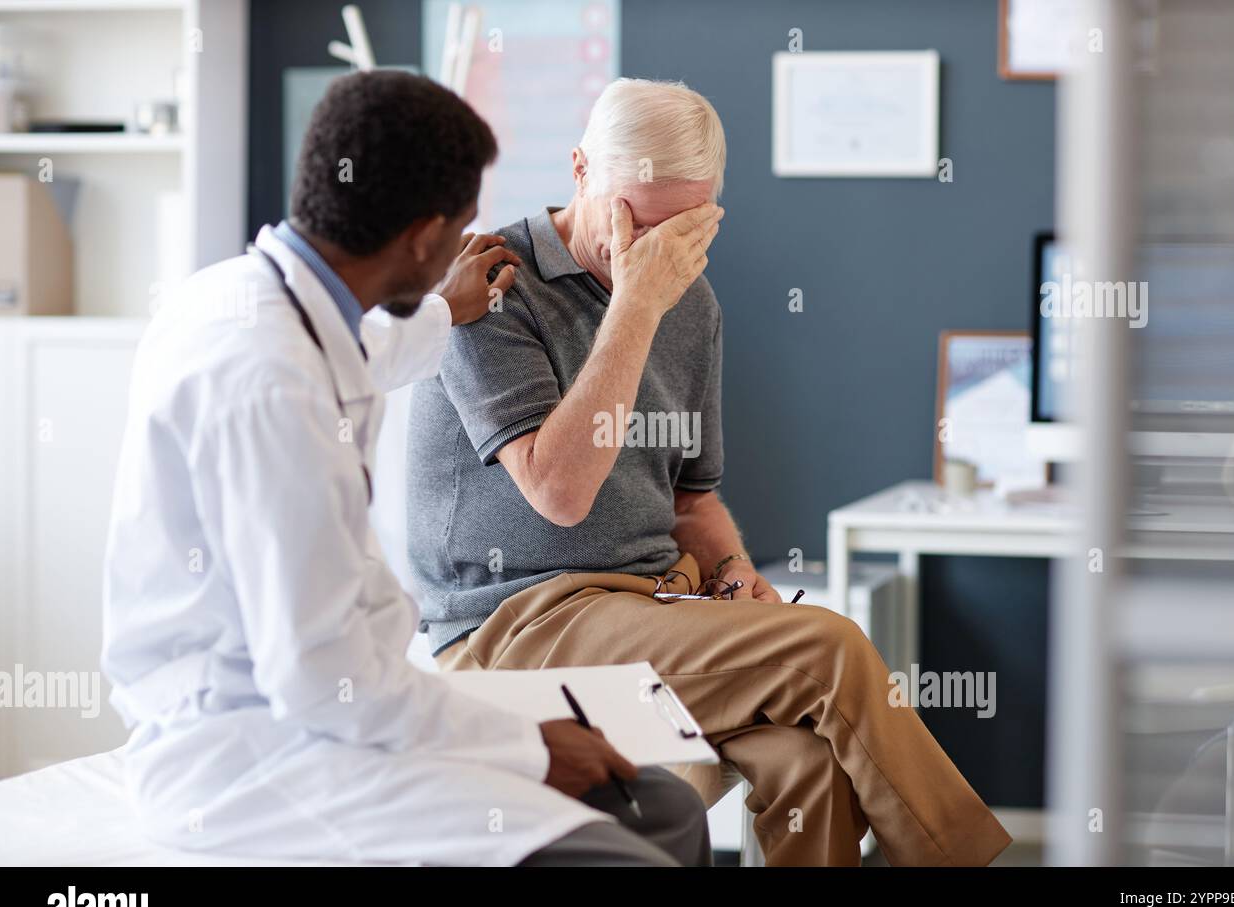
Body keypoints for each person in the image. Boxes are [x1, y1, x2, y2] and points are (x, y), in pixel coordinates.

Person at [101, 70, 711, 867]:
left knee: (662, 804)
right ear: (426, 237)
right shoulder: (268, 388)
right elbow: (321, 677)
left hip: (327, 708)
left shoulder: (245, 298)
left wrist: (441, 307)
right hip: (260, 752)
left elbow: (359, 350)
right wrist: (528, 744)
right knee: (627, 848)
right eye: (460, 226)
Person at [408, 78, 1012, 866]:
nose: (653, 252)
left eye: (683, 228)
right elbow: (560, 493)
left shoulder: (691, 302)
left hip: (655, 601)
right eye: (637, 220)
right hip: (515, 624)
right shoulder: (490, 286)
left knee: (809, 762)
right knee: (828, 649)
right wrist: (635, 307)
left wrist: (730, 566)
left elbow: (693, 497)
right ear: (580, 170)